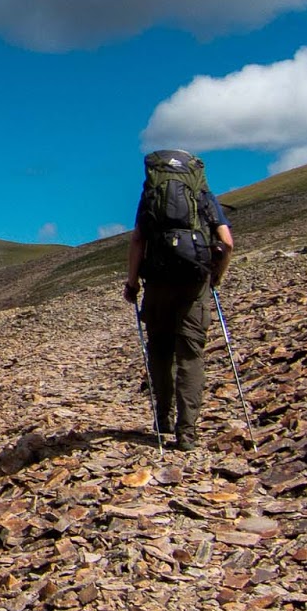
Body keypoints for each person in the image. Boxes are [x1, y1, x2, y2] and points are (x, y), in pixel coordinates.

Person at [122, 152, 233, 452]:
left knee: (160, 351)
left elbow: (137, 241)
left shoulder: (150, 197)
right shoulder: (204, 198)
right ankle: (187, 433)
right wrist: (215, 277)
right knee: (190, 355)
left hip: (157, 283)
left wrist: (132, 283)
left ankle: (163, 418)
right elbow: (228, 242)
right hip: (194, 283)